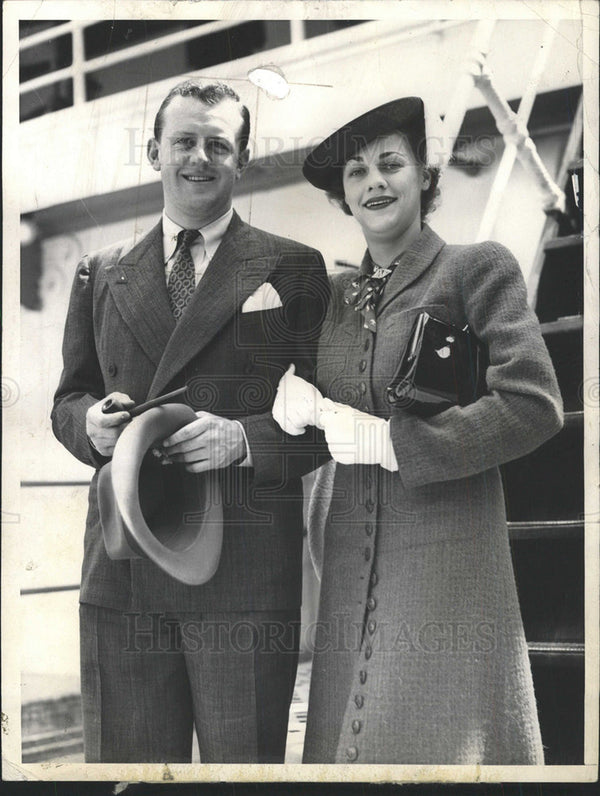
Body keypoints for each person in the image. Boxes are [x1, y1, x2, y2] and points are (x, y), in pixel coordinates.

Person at [272, 97, 564, 764]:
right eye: (356, 172)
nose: (373, 181)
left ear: (424, 176)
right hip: (349, 566)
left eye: (390, 163)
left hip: (444, 563)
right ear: (344, 196)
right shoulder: (336, 303)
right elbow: (321, 398)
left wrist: (395, 444)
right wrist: (294, 396)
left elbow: (535, 402)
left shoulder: (476, 268)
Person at [51, 80, 329, 763]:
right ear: (154, 151)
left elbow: (332, 414)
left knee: (243, 775)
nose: (198, 158)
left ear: (243, 158)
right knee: (131, 774)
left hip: (243, 569)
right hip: (124, 566)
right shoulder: (99, 273)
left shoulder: (294, 268)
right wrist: (91, 427)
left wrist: (245, 439)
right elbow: (68, 400)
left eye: (218, 144)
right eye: (184, 141)